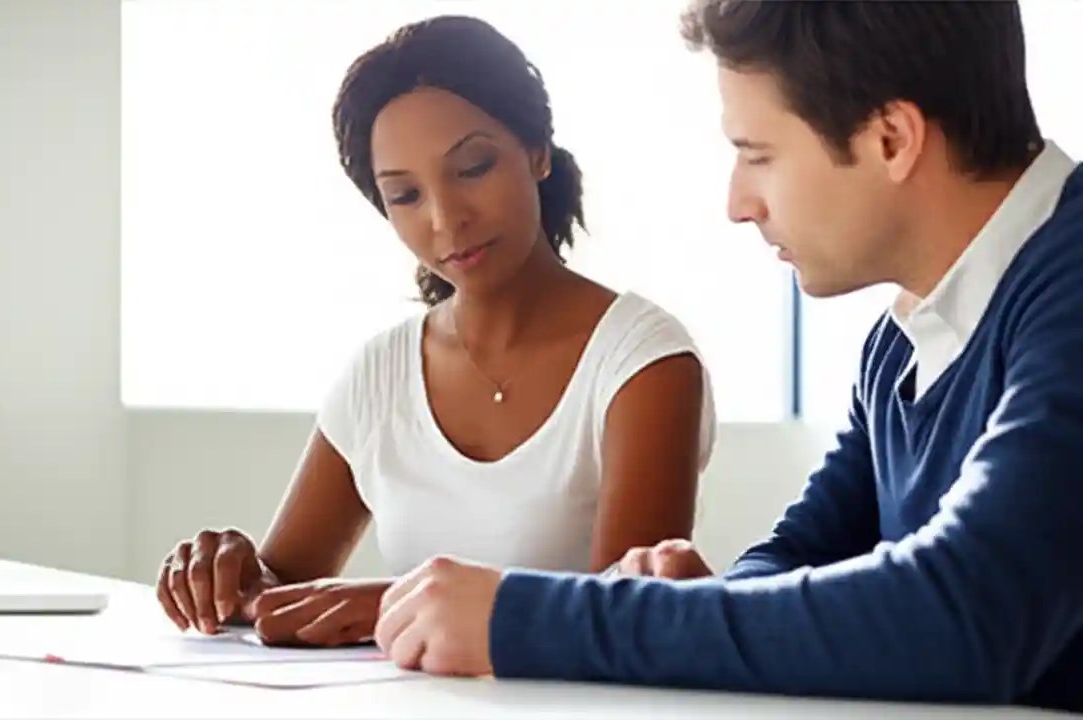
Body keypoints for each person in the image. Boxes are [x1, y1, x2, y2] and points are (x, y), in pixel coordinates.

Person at [372, 1, 1083, 712]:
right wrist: (697, 601)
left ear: (891, 139)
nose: (738, 203)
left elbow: (965, 615)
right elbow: (793, 557)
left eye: (756, 154)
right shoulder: (903, 342)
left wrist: (522, 618)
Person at [155, 15, 716, 648]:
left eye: (473, 168)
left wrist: (395, 603)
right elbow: (278, 591)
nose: (446, 220)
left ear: (537, 153)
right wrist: (225, 573)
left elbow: (627, 614)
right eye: (405, 196)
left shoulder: (641, 359)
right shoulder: (381, 374)